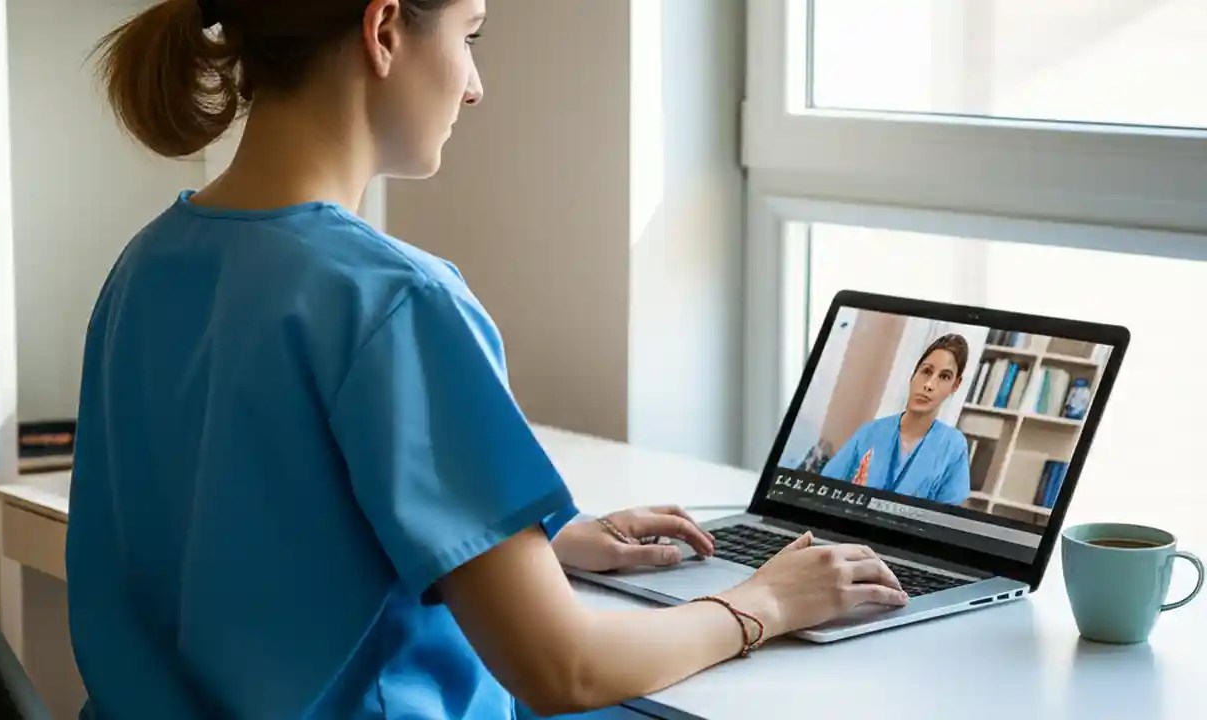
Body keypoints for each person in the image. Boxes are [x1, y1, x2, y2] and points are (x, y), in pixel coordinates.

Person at [64, 1, 908, 718]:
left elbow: (256, 532)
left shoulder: (146, 264)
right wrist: (765, 601)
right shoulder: (394, 301)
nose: (474, 84)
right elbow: (560, 668)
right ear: (386, 28)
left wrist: (533, 546)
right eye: (470, 34)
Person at [821, 334, 972, 505]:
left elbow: (948, 520)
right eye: (926, 371)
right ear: (914, 374)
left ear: (955, 385)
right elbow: (824, 490)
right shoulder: (870, 433)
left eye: (944, 376)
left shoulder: (953, 447)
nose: (929, 385)